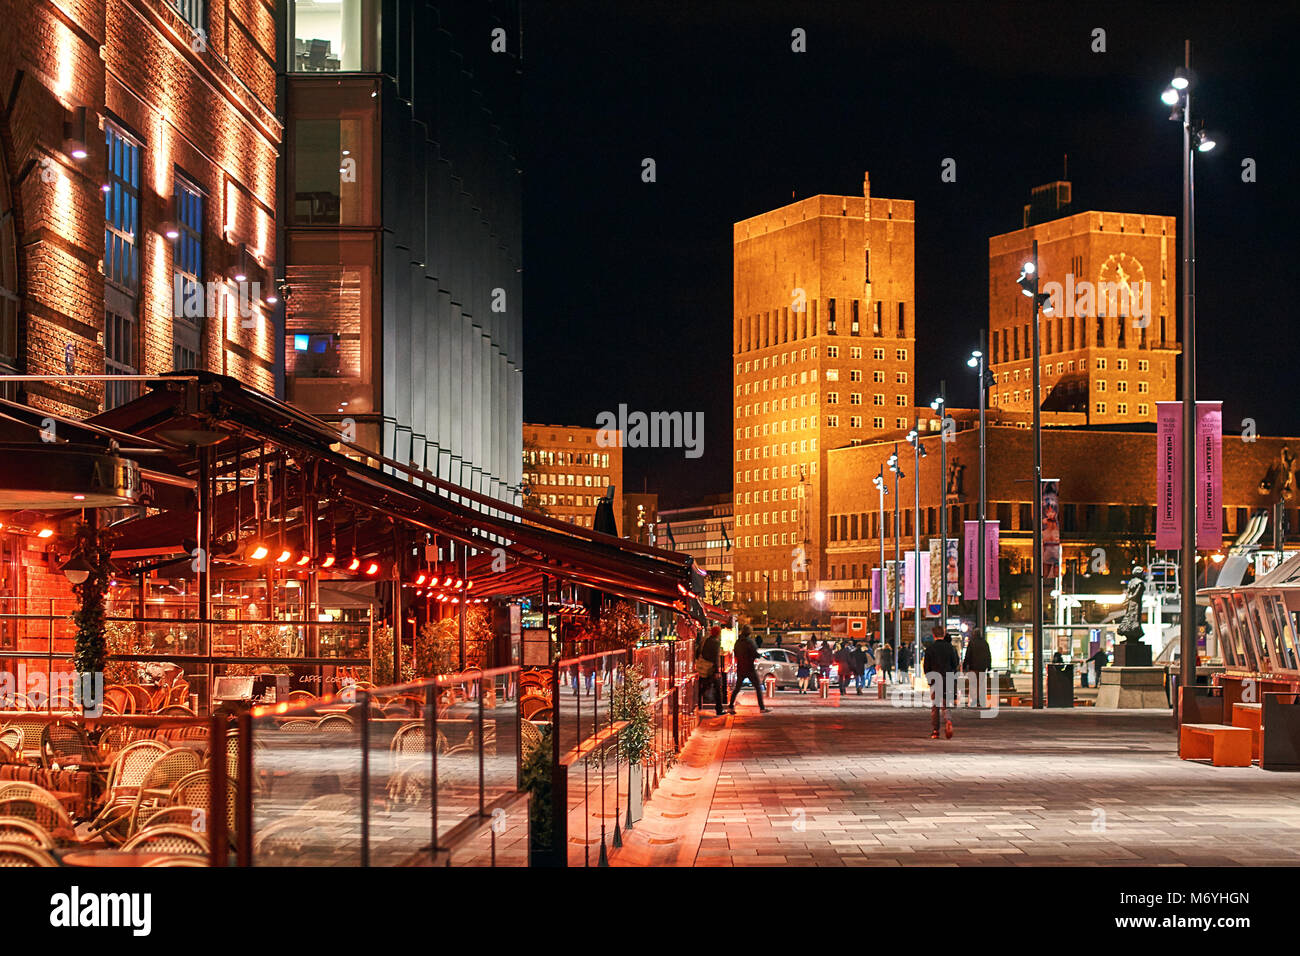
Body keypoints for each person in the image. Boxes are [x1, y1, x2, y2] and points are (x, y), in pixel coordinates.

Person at [923, 629, 961, 739]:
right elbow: (955, 664)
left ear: (933, 635)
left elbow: (926, 667)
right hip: (948, 679)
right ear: (943, 635)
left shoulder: (930, 649)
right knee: (946, 705)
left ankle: (935, 731)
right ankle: (948, 720)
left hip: (935, 680)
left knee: (935, 706)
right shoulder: (951, 648)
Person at [728, 624, 767, 714]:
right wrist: (759, 655)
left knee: (737, 688)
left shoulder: (737, 642)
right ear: (749, 632)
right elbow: (754, 653)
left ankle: (730, 707)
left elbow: (736, 653)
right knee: (758, 687)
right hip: (749, 668)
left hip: (740, 667)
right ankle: (762, 707)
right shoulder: (749, 642)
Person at [695, 625, 726, 717]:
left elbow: (697, 652)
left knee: (702, 688)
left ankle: (696, 705)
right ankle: (719, 709)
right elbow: (716, 657)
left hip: (702, 667)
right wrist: (717, 671)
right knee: (718, 688)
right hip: (710, 669)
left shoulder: (705, 640)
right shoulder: (716, 642)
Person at [962, 626, 993, 707]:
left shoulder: (972, 643)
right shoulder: (985, 643)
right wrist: (989, 666)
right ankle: (980, 700)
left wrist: (965, 665)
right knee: (981, 685)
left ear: (974, 634)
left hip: (973, 668)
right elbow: (988, 655)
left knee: (973, 685)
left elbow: (968, 655)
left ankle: (974, 700)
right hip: (982, 668)